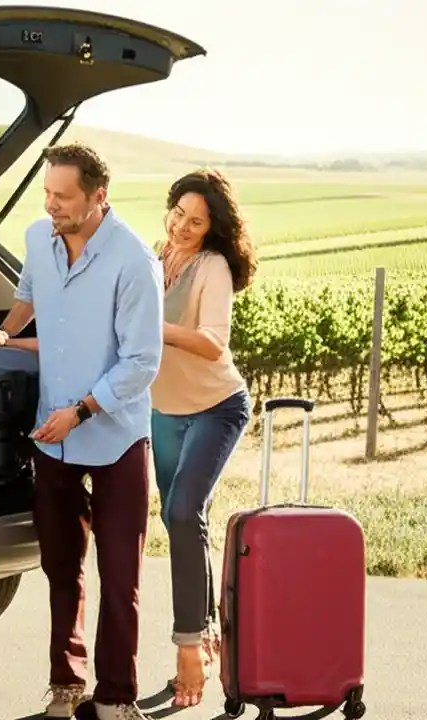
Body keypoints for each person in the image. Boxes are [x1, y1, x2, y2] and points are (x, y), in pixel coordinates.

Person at [0, 143, 164, 720]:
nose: (51, 205)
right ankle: (66, 685)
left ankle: (117, 697)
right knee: (61, 569)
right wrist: (3, 333)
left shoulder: (132, 260)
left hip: (116, 434)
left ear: (99, 197)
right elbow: (28, 300)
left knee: (120, 576)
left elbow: (143, 361)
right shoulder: (35, 240)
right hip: (55, 437)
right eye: (47, 193)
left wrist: (83, 409)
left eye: (63, 197)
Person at [148, 169, 256, 708]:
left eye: (197, 221)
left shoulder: (212, 267)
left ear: (212, 228)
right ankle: (207, 630)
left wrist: (151, 326)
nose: (183, 226)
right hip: (164, 411)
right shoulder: (153, 258)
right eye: (178, 214)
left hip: (217, 407)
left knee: (185, 511)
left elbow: (213, 344)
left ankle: (188, 649)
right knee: (180, 518)